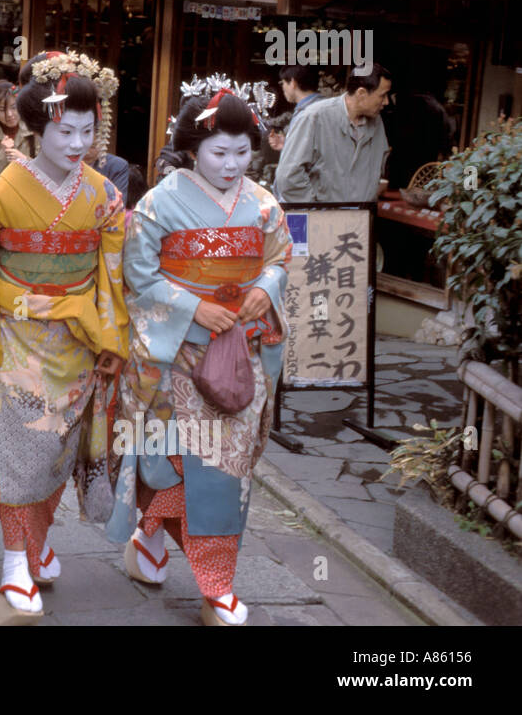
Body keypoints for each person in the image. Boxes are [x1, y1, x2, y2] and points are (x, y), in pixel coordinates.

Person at [0, 56, 129, 625]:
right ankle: (13, 564)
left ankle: (37, 540)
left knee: (58, 450)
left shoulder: (104, 197)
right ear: (35, 128)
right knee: (22, 451)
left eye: (86, 132)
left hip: (77, 340)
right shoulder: (1, 194)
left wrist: (111, 336)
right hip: (14, 339)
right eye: (63, 131)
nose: (77, 144)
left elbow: (113, 275)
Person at [106, 90, 290, 627]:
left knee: (225, 470)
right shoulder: (160, 203)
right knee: (175, 464)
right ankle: (161, 544)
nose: (232, 165)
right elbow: (137, 276)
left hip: (240, 354)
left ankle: (212, 581)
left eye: (240, 152)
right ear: (191, 150)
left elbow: (280, 258)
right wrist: (192, 307)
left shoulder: (263, 204)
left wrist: (268, 288)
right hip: (178, 356)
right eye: (218, 152)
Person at [275, 64, 392, 203]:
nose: (386, 102)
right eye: (382, 95)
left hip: (360, 218)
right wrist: (315, 210)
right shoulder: (314, 117)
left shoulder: (376, 122)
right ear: (361, 93)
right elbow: (288, 176)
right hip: (322, 220)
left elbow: (376, 169)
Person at [0, 79, 36, 182]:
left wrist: (24, 160)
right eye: (2, 109)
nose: (9, 114)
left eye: (13, 107)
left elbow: (46, 174)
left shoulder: (34, 130)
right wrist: (2, 154)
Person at [278, 64, 322, 136]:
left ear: (292, 83)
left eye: (283, 83)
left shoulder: (308, 113)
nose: (282, 88)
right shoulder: (322, 105)